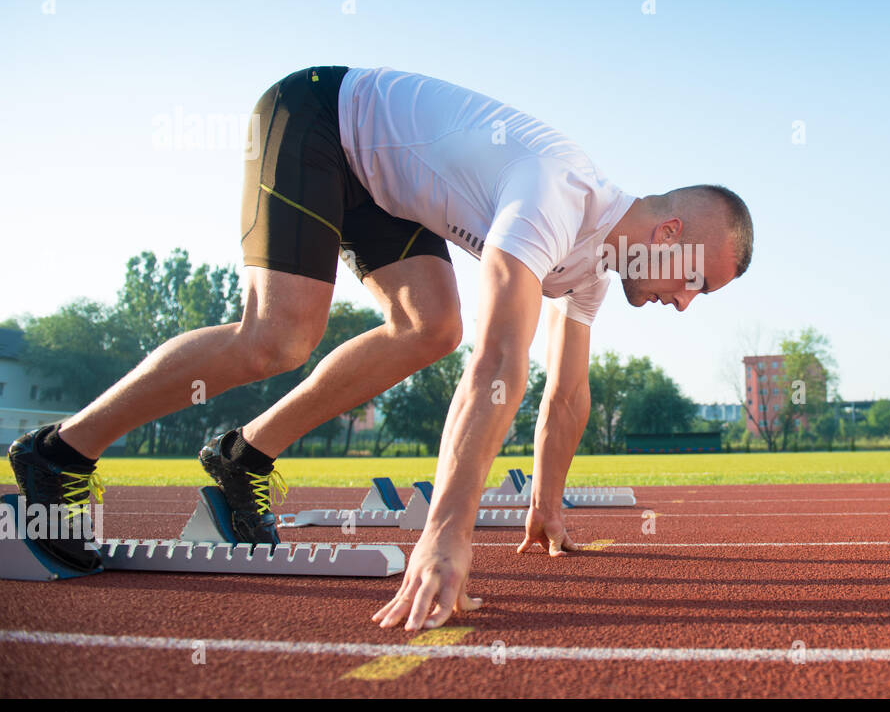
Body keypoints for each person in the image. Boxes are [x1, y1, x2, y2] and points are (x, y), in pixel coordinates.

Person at [8, 66, 753, 626]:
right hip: (318, 119)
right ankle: (61, 450)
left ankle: (244, 457)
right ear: (667, 236)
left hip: (382, 186)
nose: (685, 301)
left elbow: (566, 389)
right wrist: (445, 533)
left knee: (431, 325)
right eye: (697, 280)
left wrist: (547, 503)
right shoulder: (557, 195)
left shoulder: (596, 260)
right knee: (279, 335)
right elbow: (499, 367)